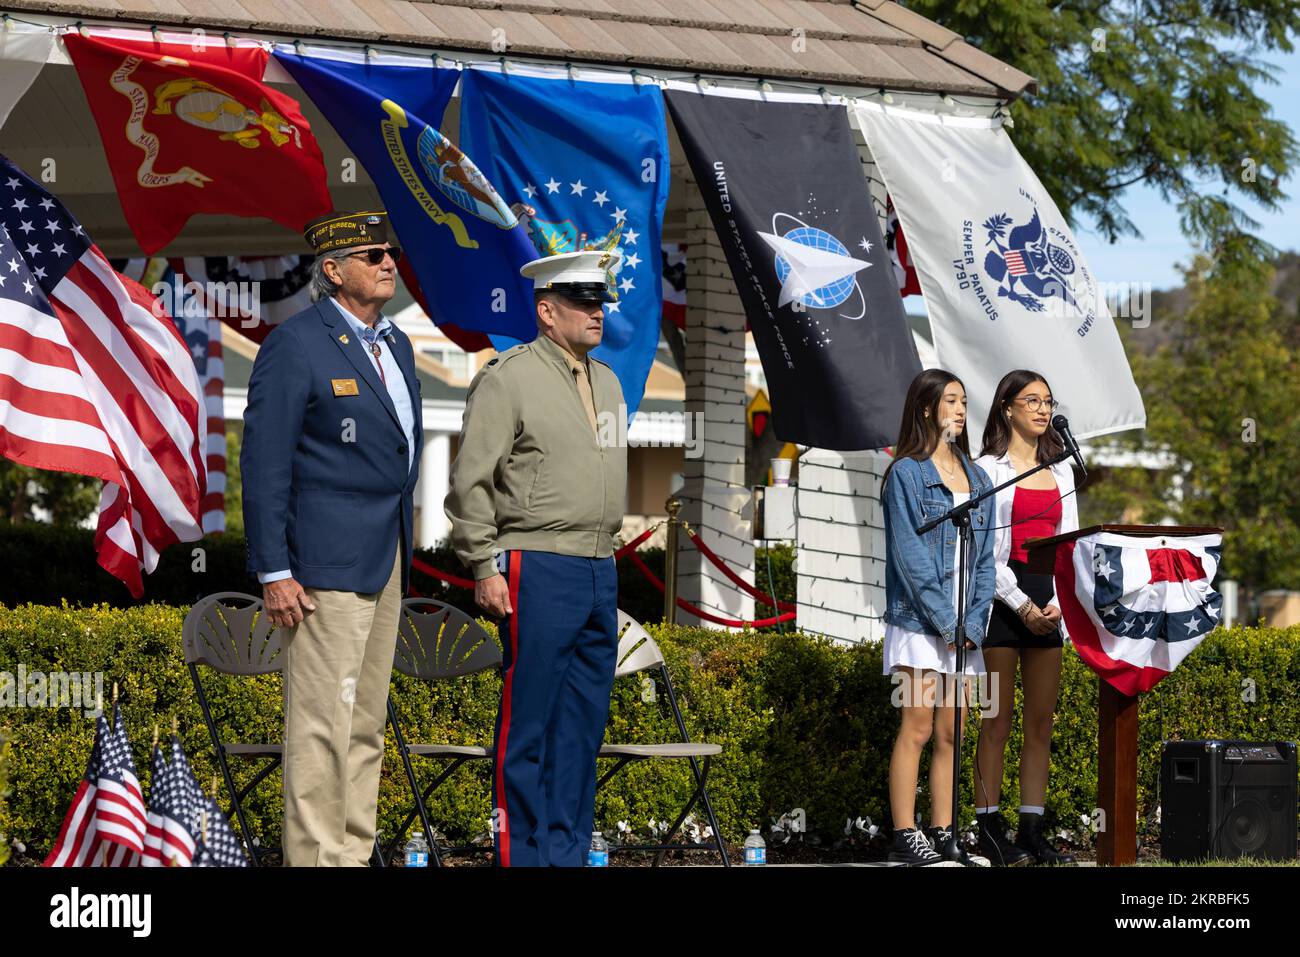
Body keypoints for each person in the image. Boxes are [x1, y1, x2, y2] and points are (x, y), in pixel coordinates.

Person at [241, 210, 422, 866]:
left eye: (390, 251)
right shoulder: (296, 343)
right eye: (373, 253)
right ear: (333, 269)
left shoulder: (397, 344)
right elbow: (264, 465)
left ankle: (350, 853)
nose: (387, 263)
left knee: (366, 726)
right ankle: (316, 858)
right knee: (321, 726)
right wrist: (273, 570)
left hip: (387, 557)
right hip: (321, 566)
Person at [444, 248, 627, 867]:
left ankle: (565, 854)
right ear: (547, 311)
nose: (595, 313)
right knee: (528, 725)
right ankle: (518, 855)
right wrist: (483, 564)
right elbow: (471, 481)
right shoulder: (509, 376)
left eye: (600, 301)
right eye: (582, 303)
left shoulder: (607, 380)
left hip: (600, 565)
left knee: (580, 728)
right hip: (537, 562)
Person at [881, 369, 997, 866]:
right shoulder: (906, 473)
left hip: (963, 630)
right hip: (918, 624)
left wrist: (971, 626)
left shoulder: (980, 477)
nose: (960, 410)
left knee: (954, 730)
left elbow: (988, 561)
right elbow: (909, 556)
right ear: (927, 408)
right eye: (951, 400)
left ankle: (944, 831)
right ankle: (905, 834)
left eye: (964, 402)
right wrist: (946, 622)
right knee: (918, 726)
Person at [973, 370, 1079, 865]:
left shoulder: (1061, 470)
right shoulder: (988, 469)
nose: (1041, 409)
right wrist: (1022, 607)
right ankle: (988, 829)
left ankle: (1031, 828)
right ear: (1007, 408)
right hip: (1001, 601)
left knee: (1040, 723)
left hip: (1049, 599)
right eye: (1030, 400)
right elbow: (984, 553)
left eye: (1047, 401)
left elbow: (1070, 546)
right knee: (996, 722)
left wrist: (1056, 603)